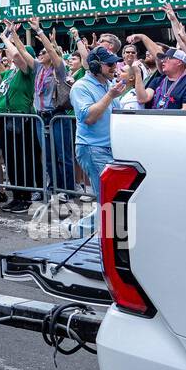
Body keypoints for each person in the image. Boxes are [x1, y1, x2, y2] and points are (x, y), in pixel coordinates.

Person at [69, 45, 127, 234]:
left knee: (111, 197)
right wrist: (110, 96)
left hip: (109, 148)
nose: (113, 67)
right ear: (95, 66)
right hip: (92, 148)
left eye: (115, 64)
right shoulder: (81, 87)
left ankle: (81, 231)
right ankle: (89, 234)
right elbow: (89, 117)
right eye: (109, 64)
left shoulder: (109, 85)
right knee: (108, 198)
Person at [0, 22, 41, 213]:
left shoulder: (27, 71)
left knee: (22, 159)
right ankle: (16, 196)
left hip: (21, 119)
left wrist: (6, 38)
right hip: (7, 119)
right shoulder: (10, 73)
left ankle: (25, 198)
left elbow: (15, 55)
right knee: (11, 160)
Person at [25, 18, 75, 195]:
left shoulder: (59, 68)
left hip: (57, 115)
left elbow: (53, 52)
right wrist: (11, 34)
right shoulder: (38, 67)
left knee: (63, 156)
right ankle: (53, 187)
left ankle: (67, 189)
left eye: (44, 52)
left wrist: (39, 31)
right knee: (48, 157)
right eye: (40, 52)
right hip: (41, 116)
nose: (41, 54)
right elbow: (20, 53)